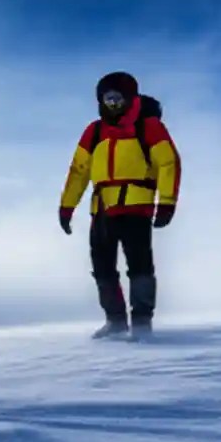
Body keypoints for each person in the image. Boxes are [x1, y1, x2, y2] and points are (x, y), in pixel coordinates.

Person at [58, 72, 181, 339]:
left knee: (140, 266)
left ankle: (141, 323)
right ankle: (115, 321)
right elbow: (79, 171)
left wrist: (167, 203)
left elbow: (168, 163)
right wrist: (67, 207)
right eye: (107, 98)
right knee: (102, 267)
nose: (113, 103)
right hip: (101, 210)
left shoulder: (148, 127)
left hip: (136, 208)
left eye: (118, 97)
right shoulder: (94, 132)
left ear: (130, 97)